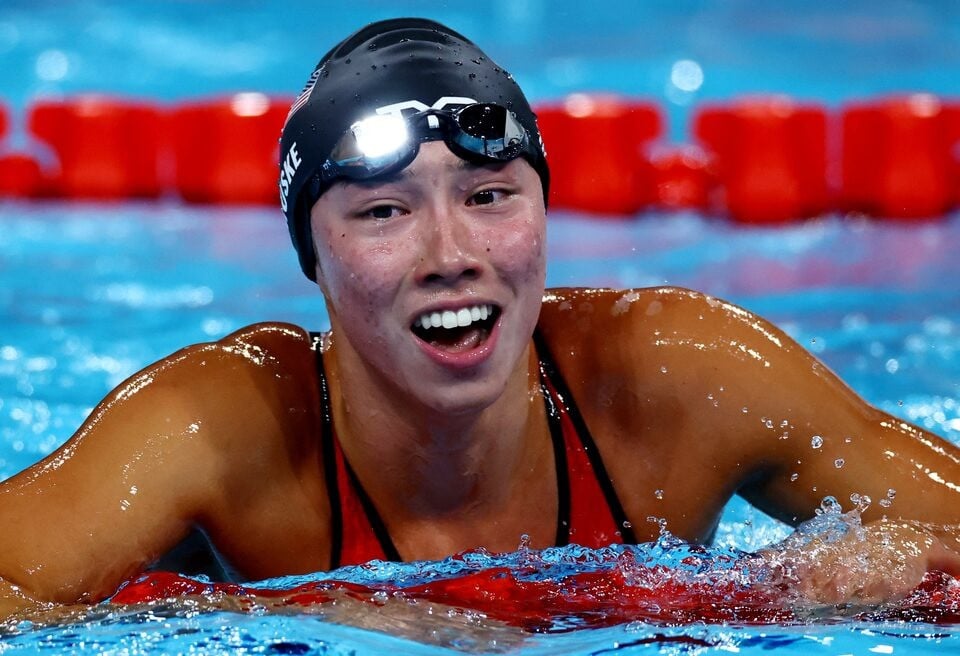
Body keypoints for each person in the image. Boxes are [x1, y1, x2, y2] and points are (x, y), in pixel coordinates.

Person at [1, 17, 959, 617]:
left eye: (492, 196)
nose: (451, 251)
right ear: (314, 261)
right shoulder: (221, 425)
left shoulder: (680, 375)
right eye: (384, 212)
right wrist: (248, 615)